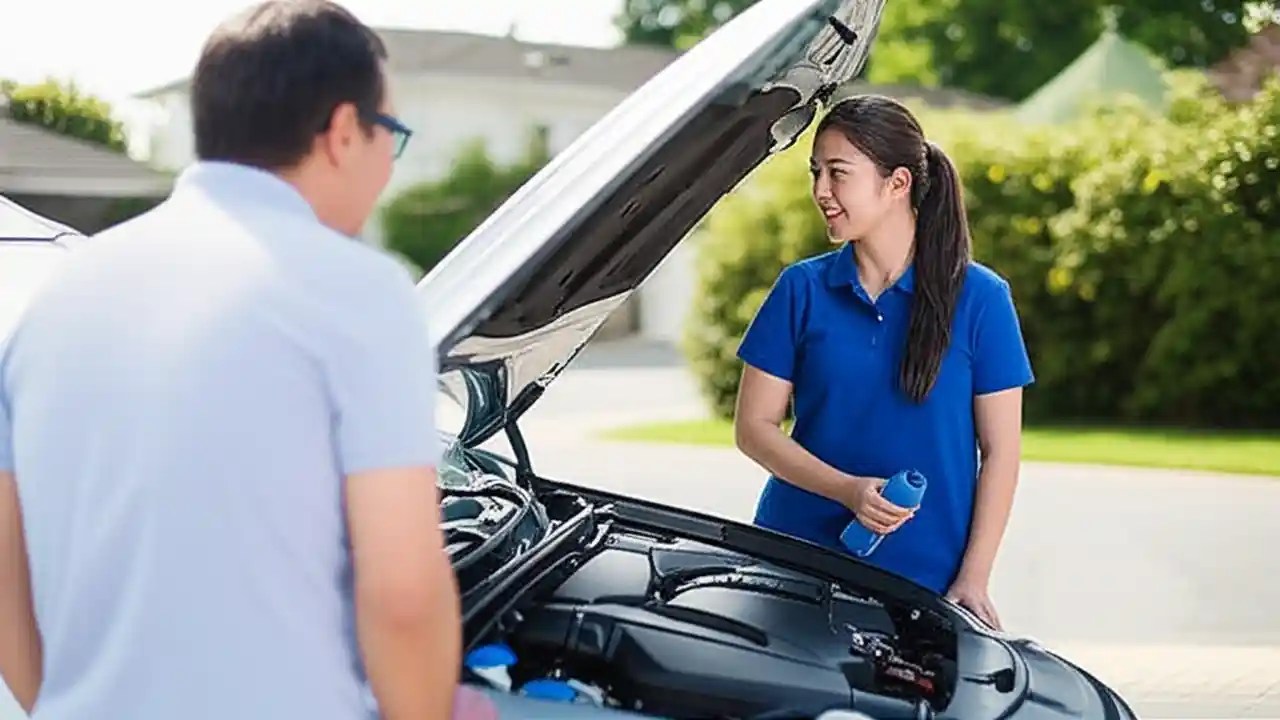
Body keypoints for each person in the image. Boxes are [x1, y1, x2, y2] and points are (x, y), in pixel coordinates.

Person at [0, 1, 474, 718]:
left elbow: (8, 571)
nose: (388, 165)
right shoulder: (356, 292)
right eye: (391, 135)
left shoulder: (52, 296)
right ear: (345, 132)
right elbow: (404, 596)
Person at [733, 94, 1033, 629]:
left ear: (897, 184)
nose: (821, 191)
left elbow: (1002, 451)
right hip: (793, 561)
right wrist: (846, 489)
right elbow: (754, 429)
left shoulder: (981, 298)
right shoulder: (800, 289)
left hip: (922, 578)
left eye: (838, 173)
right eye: (816, 173)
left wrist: (974, 576)